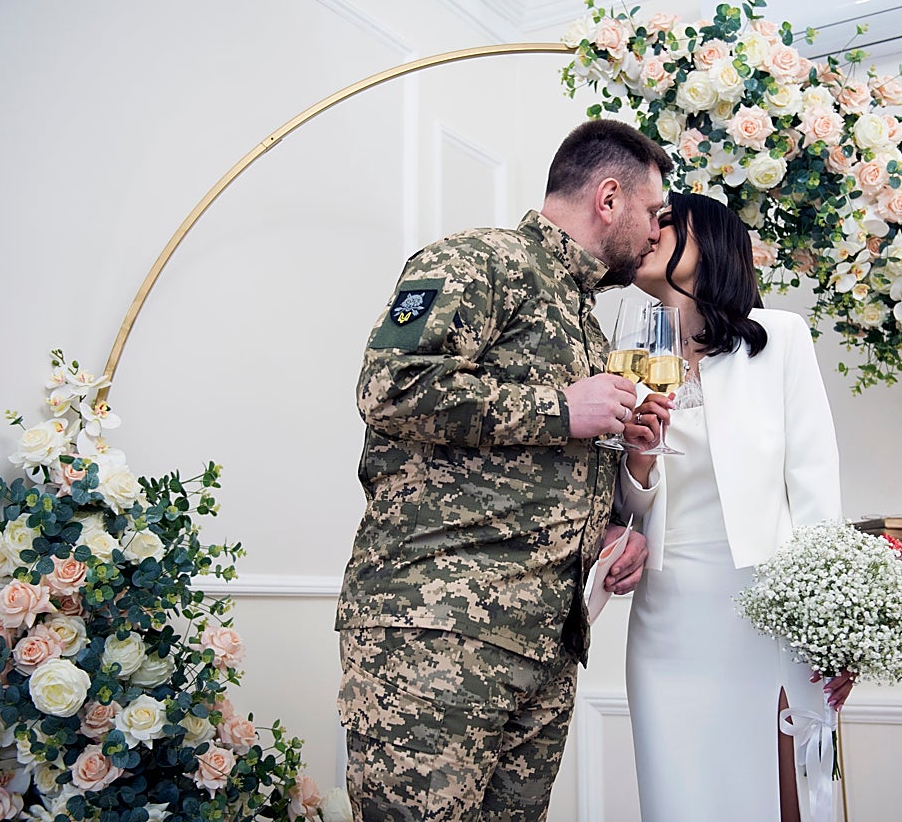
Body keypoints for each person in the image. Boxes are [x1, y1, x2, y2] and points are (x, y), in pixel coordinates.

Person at [334, 119, 674, 822]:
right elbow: (390, 389)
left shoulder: (582, 314)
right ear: (608, 199)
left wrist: (613, 526)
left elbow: (538, 467)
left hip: (546, 638)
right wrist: (560, 408)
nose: (652, 236)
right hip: (442, 623)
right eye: (651, 214)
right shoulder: (477, 260)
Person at [617, 191, 855, 821]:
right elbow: (624, 507)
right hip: (666, 621)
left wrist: (831, 630)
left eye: (666, 221)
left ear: (714, 237)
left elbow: (815, 487)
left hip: (765, 608)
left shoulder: (779, 337)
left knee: (778, 795)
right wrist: (638, 461)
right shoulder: (629, 356)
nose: (649, 231)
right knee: (680, 798)